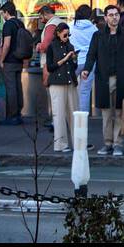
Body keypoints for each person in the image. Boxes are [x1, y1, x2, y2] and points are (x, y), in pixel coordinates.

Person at [81, 4, 124, 156]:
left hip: (121, 78)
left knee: (118, 113)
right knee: (106, 114)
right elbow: (91, 55)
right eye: (110, 15)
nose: (114, 17)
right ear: (105, 18)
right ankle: (107, 143)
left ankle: (117, 143)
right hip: (104, 78)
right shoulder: (98, 35)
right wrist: (86, 69)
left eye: (116, 14)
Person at [44, 22, 79, 152]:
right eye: (65, 34)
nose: (67, 36)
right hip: (57, 82)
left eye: (68, 34)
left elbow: (74, 67)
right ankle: (61, 144)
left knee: (73, 113)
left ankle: (77, 142)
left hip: (70, 81)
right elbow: (50, 67)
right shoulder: (52, 47)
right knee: (58, 114)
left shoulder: (70, 46)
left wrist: (74, 59)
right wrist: (65, 59)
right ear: (58, 33)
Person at [0, 0, 31, 125]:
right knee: (18, 86)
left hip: (10, 61)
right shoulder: (19, 23)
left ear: (6, 12)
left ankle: (12, 116)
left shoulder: (8, 25)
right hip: (19, 60)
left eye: (2, 13)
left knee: (11, 88)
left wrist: (1, 59)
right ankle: (18, 113)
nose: (2, 16)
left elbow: (6, 44)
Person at [70, 4, 97, 115]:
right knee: (85, 91)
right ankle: (82, 118)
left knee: (69, 89)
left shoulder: (70, 26)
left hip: (74, 61)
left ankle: (69, 115)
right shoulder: (94, 29)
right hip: (89, 63)